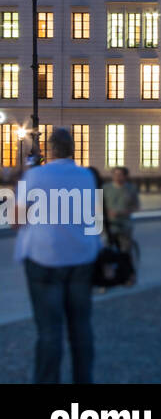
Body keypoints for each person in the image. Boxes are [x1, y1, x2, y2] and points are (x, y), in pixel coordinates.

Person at [15, 127, 100, 383]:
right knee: (81, 326)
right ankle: (83, 379)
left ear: (50, 149)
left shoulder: (35, 176)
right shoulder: (87, 176)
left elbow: (16, 220)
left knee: (50, 330)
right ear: (72, 149)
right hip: (82, 256)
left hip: (45, 257)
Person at [103, 167, 140, 286]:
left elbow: (136, 207)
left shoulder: (131, 189)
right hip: (108, 226)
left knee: (125, 252)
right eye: (115, 174)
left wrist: (123, 212)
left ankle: (129, 277)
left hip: (124, 225)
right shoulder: (105, 188)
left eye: (120, 174)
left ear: (125, 176)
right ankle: (106, 279)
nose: (117, 177)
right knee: (106, 252)